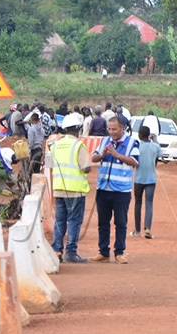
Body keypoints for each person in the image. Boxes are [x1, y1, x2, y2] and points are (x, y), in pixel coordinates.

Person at [91, 116, 139, 263]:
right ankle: (103, 252)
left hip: (121, 190)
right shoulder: (104, 141)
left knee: (121, 223)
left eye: (114, 129)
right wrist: (102, 155)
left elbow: (134, 161)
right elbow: (93, 158)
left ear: (122, 128)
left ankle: (119, 252)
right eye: (109, 129)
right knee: (103, 222)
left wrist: (117, 155)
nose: (111, 132)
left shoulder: (132, 142)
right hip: (103, 188)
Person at [50, 113, 92, 263]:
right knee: (74, 220)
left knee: (60, 219)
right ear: (77, 129)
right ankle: (71, 252)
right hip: (74, 190)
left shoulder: (55, 145)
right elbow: (86, 167)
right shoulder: (78, 145)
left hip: (58, 188)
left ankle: (56, 250)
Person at [131, 124, 161, 239]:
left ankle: (137, 231)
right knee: (149, 203)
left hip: (139, 178)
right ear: (149, 135)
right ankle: (148, 229)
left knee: (138, 203)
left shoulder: (137, 147)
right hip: (151, 179)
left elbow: (133, 161)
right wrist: (154, 140)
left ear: (139, 135)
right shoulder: (155, 147)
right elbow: (159, 156)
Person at [26, 110, 46, 174]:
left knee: (31, 169)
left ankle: (30, 179)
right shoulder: (42, 129)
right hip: (40, 150)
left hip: (34, 150)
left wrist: (28, 149)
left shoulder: (31, 129)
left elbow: (31, 142)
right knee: (37, 169)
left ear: (32, 120)